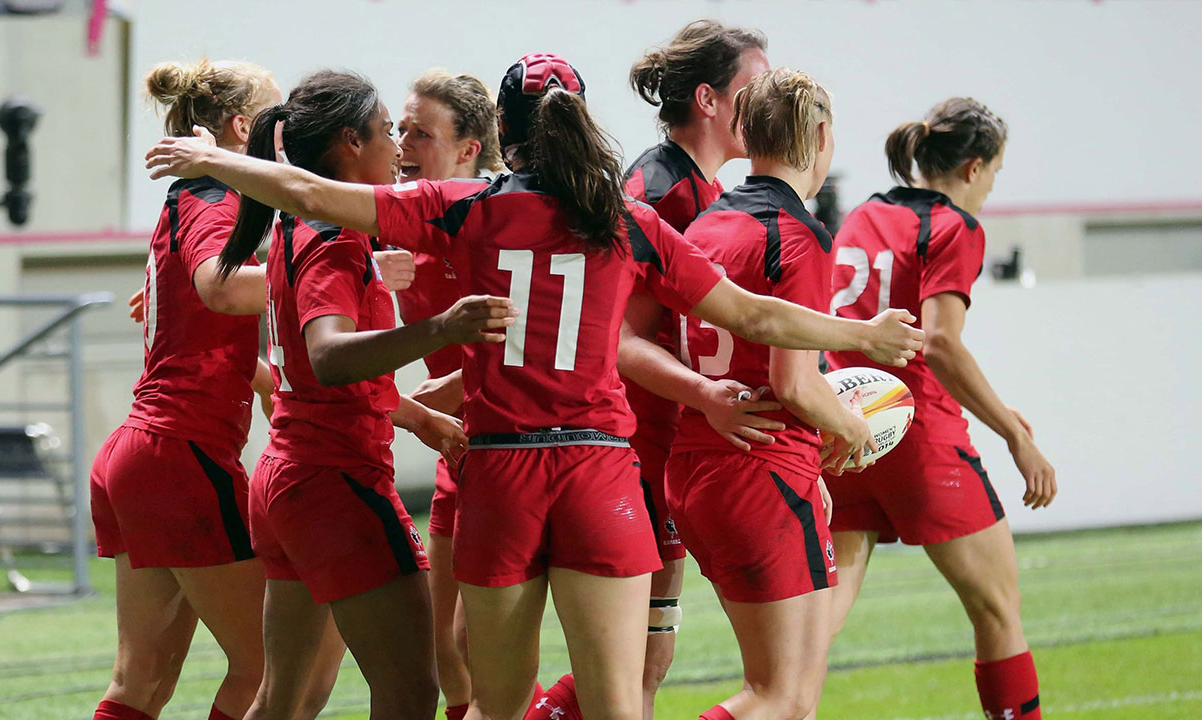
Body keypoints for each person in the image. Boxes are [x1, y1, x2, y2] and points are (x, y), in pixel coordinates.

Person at [143, 52, 923, 720]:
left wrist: (213, 162)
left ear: (503, 133)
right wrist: (864, 336)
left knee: (496, 704)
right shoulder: (628, 219)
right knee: (618, 705)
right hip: (597, 471)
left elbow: (313, 196)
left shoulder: (466, 206)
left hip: (500, 473)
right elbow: (753, 313)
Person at [214, 69, 513, 720]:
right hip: (335, 482)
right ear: (350, 143)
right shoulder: (335, 237)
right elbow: (327, 357)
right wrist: (441, 328)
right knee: (412, 691)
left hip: (290, 475)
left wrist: (417, 417)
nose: (398, 146)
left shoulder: (298, 224)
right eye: (387, 130)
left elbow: (317, 373)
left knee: (284, 700)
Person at [818, 98, 1057, 720]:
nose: (992, 186)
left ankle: (764, 704)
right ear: (974, 168)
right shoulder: (956, 228)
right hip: (918, 433)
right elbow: (941, 344)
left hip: (845, 431)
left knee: (818, 620)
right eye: (995, 172)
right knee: (997, 609)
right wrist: (1013, 434)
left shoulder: (864, 214)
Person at [668, 68, 866, 720]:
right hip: (760, 470)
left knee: (787, 689)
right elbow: (794, 382)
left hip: (696, 465)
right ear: (820, 135)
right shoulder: (798, 236)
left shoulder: (702, 226)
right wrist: (851, 427)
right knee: (783, 696)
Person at [88, 58, 283, 720]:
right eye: (277, 116)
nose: (287, 130)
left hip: (141, 454)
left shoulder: (192, 198)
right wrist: (327, 270)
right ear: (244, 128)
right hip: (179, 455)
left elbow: (196, 325)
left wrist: (260, 377)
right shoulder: (214, 199)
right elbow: (220, 288)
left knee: (139, 683)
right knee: (268, 668)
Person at [620, 22, 770, 717]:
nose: (768, 104)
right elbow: (617, 339)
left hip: (669, 447)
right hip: (634, 447)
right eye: (755, 88)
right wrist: (707, 393)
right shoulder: (661, 191)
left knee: (643, 664)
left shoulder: (703, 189)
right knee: (627, 669)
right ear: (709, 100)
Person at [391, 68, 506, 720]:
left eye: (421, 133)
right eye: (400, 128)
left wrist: (462, 382)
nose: (403, 144)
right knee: (443, 650)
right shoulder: (398, 222)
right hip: (456, 450)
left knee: (478, 644)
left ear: (469, 149)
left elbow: (548, 325)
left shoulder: (496, 219)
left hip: (514, 449)